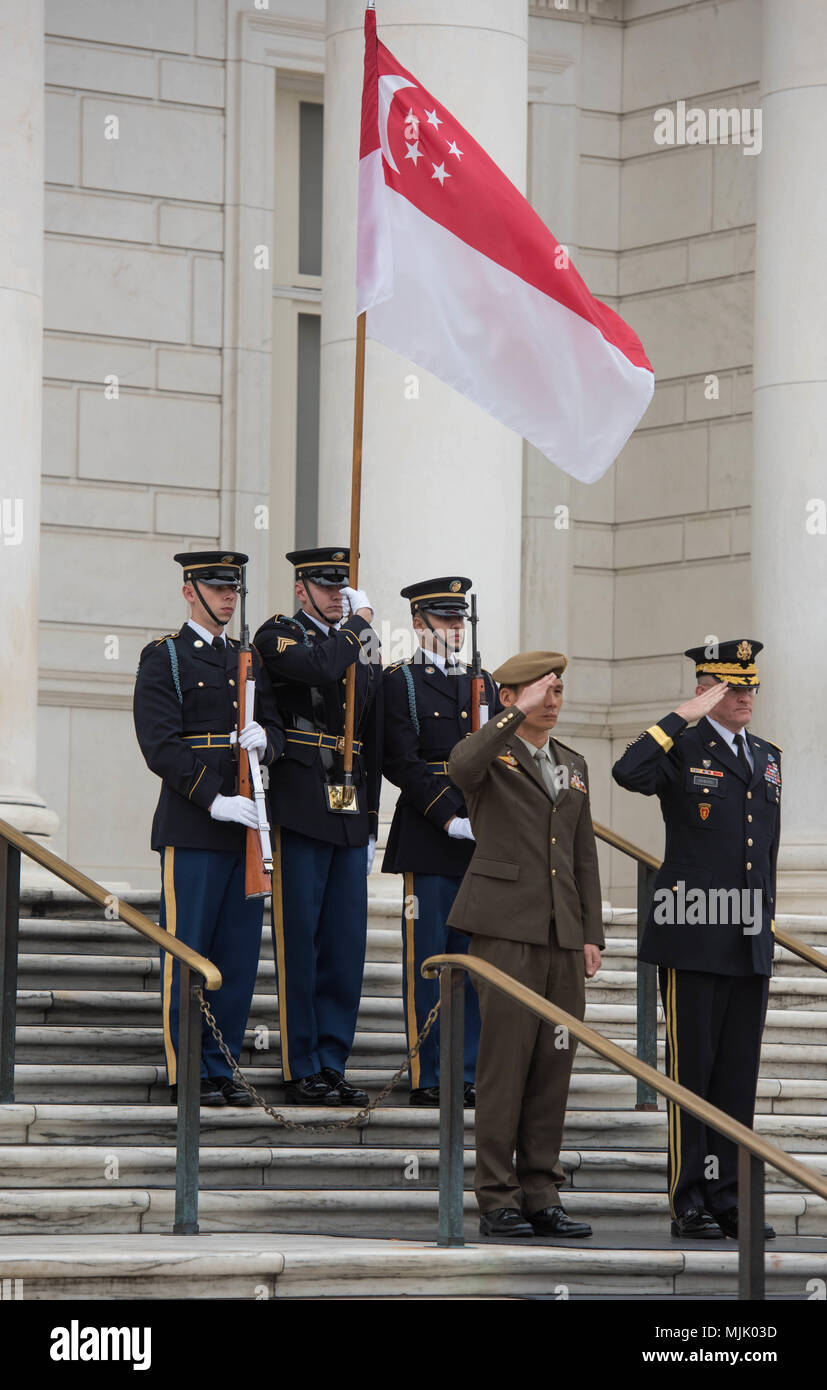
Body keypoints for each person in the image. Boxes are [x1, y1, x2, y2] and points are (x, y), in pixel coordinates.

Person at [612, 638, 779, 1241]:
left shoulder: (767, 756)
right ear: (706, 690)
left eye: (750, 686)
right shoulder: (681, 745)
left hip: (746, 936)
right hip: (691, 933)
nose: (746, 697)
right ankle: (691, 1200)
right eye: (732, 687)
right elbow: (626, 771)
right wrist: (680, 716)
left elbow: (765, 853)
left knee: (736, 1077)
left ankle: (730, 1197)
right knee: (694, 1076)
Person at [447, 651, 604, 1237]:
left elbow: (583, 855)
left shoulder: (572, 762)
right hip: (506, 929)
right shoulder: (492, 751)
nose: (555, 701)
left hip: (561, 935)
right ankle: (497, 1196)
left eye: (560, 690)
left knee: (552, 1065)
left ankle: (541, 1189)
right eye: (545, 691)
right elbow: (460, 765)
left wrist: (590, 933)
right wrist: (512, 716)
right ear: (510, 697)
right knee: (504, 1066)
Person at [133, 550, 284, 1107]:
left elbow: (277, 733)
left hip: (246, 829)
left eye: (233, 589)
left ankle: (224, 1067)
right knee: (189, 950)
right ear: (188, 590)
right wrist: (214, 800)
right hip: (195, 828)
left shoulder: (248, 658)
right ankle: (186, 1068)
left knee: (238, 956)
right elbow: (160, 745)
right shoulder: (165, 658)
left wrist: (267, 741)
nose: (228, 597)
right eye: (217, 588)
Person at [254, 547, 382, 1105]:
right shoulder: (278, 633)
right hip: (301, 801)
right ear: (301, 588)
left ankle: (333, 1060)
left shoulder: (356, 645)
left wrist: (373, 818)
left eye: (342, 586)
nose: (336, 594)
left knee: (344, 945)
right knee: (300, 942)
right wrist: (357, 627)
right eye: (326, 586)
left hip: (349, 806)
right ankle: (298, 1062)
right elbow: (316, 667)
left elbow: (371, 735)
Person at [382, 576, 499, 1106]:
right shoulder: (400, 683)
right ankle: (428, 1075)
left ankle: (467, 1071)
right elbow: (400, 761)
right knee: (429, 961)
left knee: (475, 964)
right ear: (418, 623)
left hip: (483, 843)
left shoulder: (484, 683)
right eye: (445, 619)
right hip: (431, 838)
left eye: (460, 619)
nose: (455, 629)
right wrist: (450, 815)